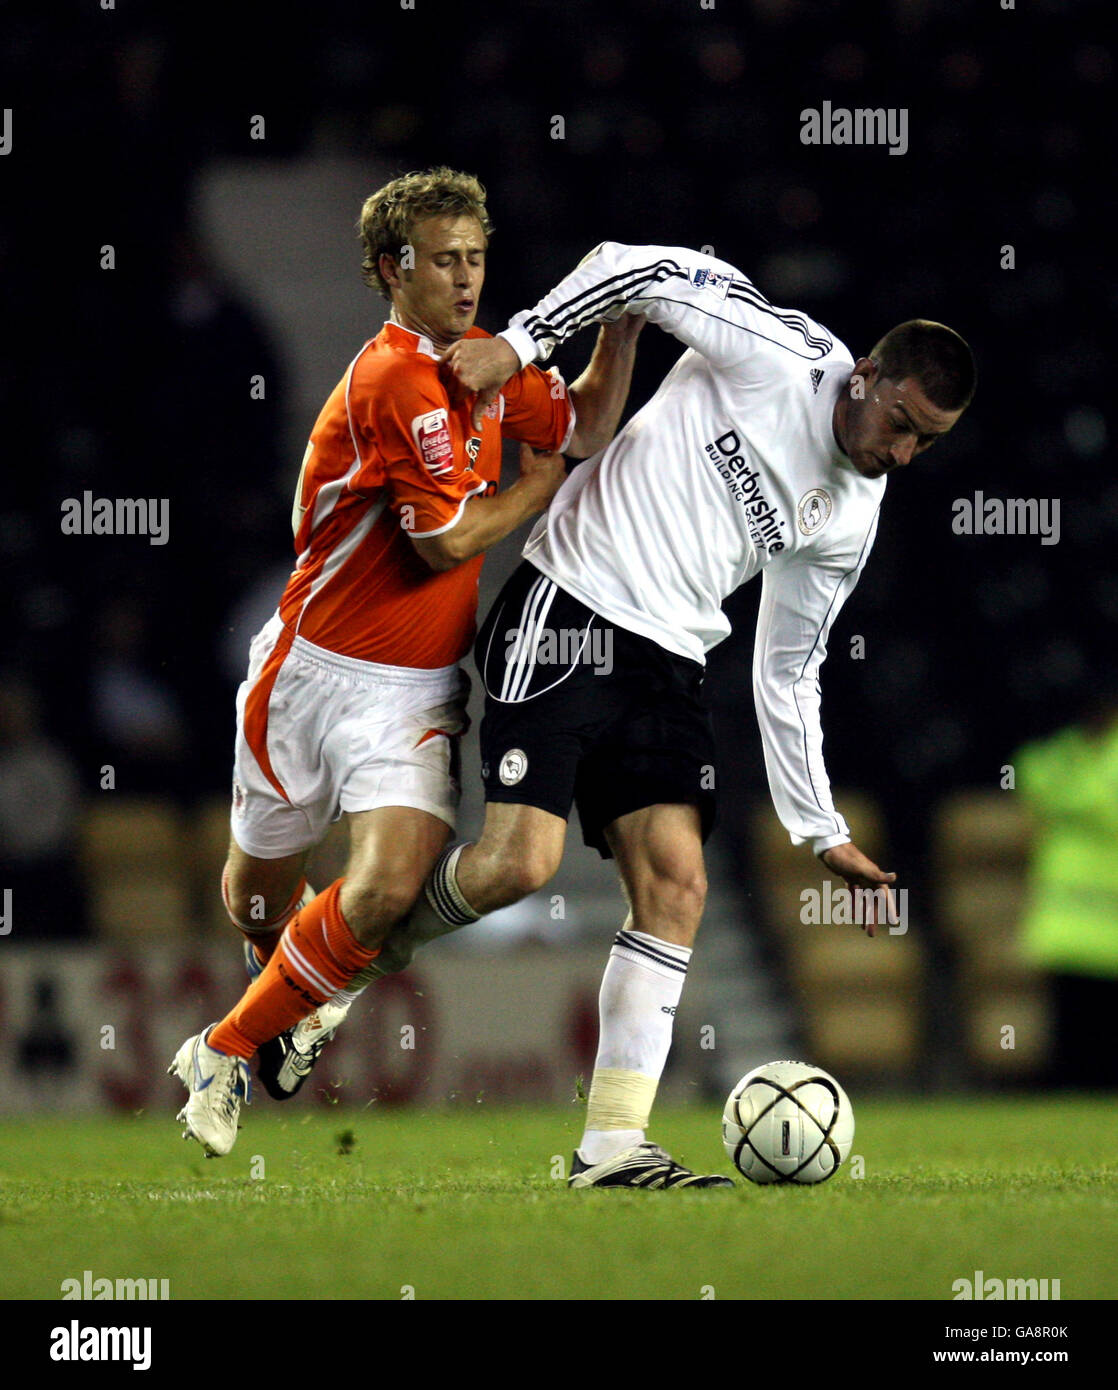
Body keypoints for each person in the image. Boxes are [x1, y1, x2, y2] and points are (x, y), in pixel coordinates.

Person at [397, 241, 971, 1188]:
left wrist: (821, 826)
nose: (902, 454)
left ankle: (611, 1148)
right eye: (901, 424)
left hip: (669, 661)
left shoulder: (852, 514)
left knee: (678, 885)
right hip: (573, 599)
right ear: (866, 374)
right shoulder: (777, 352)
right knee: (517, 866)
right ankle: (351, 957)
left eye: (926, 444)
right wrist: (522, 342)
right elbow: (637, 267)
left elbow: (789, 669)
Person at [169, 172, 644, 1156]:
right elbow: (443, 544)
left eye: (476, 258)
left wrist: (623, 324)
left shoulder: (487, 365)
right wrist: (536, 488)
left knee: (387, 886)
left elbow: (588, 425)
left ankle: (222, 1050)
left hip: (414, 692)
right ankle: (297, 990)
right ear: (393, 270)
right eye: (444, 261)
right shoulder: (393, 378)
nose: (466, 279)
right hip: (309, 669)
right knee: (254, 897)